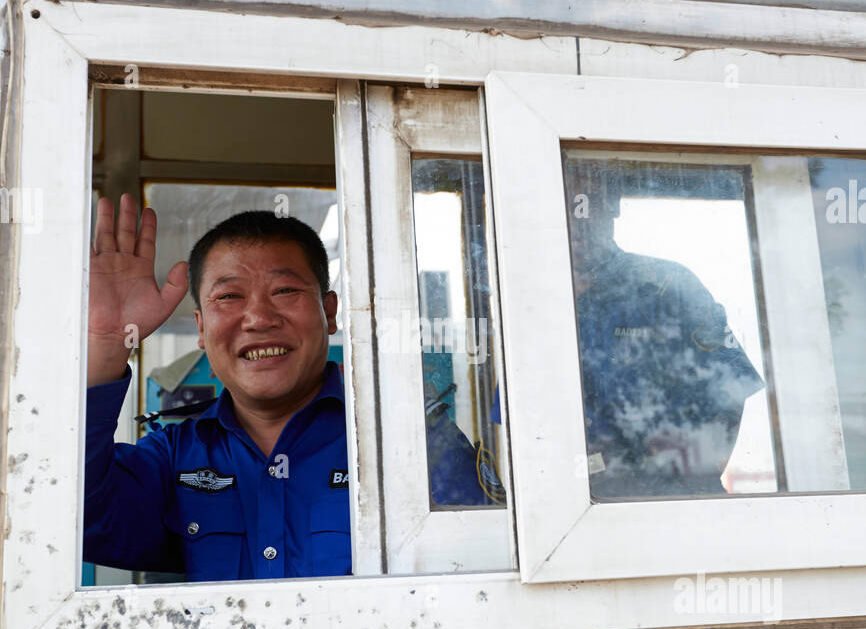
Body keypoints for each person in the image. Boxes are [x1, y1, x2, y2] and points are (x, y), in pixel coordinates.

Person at [84, 196, 486, 582]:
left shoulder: (410, 440)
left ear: (329, 312)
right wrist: (104, 347)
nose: (258, 317)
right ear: (202, 328)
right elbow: (74, 521)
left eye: (285, 291)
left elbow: (480, 570)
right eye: (228, 296)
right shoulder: (174, 457)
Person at [567, 174, 765, 499]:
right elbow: (514, 425)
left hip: (675, 501)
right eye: (570, 205)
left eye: (587, 202)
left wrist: (692, 482)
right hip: (576, 507)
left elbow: (732, 388)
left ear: (613, 206)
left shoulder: (667, 285)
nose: (578, 216)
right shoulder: (535, 310)